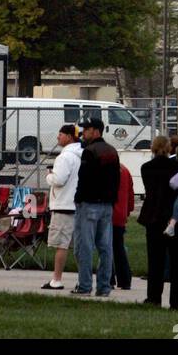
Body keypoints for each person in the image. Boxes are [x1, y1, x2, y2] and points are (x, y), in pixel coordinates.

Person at [138, 136, 178, 309]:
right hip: (175, 217)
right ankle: (177, 301)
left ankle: (153, 297)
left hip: (153, 216)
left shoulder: (146, 168)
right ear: (169, 149)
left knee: (155, 260)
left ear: (152, 148)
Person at [72, 116, 120, 297]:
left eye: (86, 129)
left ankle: (84, 286)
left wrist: (79, 199)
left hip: (89, 203)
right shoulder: (112, 151)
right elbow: (117, 179)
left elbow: (84, 179)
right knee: (105, 248)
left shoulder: (90, 151)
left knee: (83, 247)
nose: (83, 132)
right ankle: (104, 287)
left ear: (95, 131)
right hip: (107, 205)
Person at [41, 124, 82, 291]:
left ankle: (56, 280)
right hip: (77, 206)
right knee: (79, 246)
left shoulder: (64, 157)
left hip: (63, 205)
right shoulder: (81, 155)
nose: (58, 137)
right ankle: (82, 279)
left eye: (60, 134)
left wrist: (49, 176)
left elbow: (59, 180)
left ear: (69, 137)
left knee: (61, 245)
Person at [111, 160, 135, 291]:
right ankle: (125, 279)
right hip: (121, 213)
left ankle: (108, 278)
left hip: (108, 213)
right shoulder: (125, 170)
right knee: (118, 247)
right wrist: (128, 211)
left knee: (106, 247)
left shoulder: (107, 170)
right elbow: (130, 193)